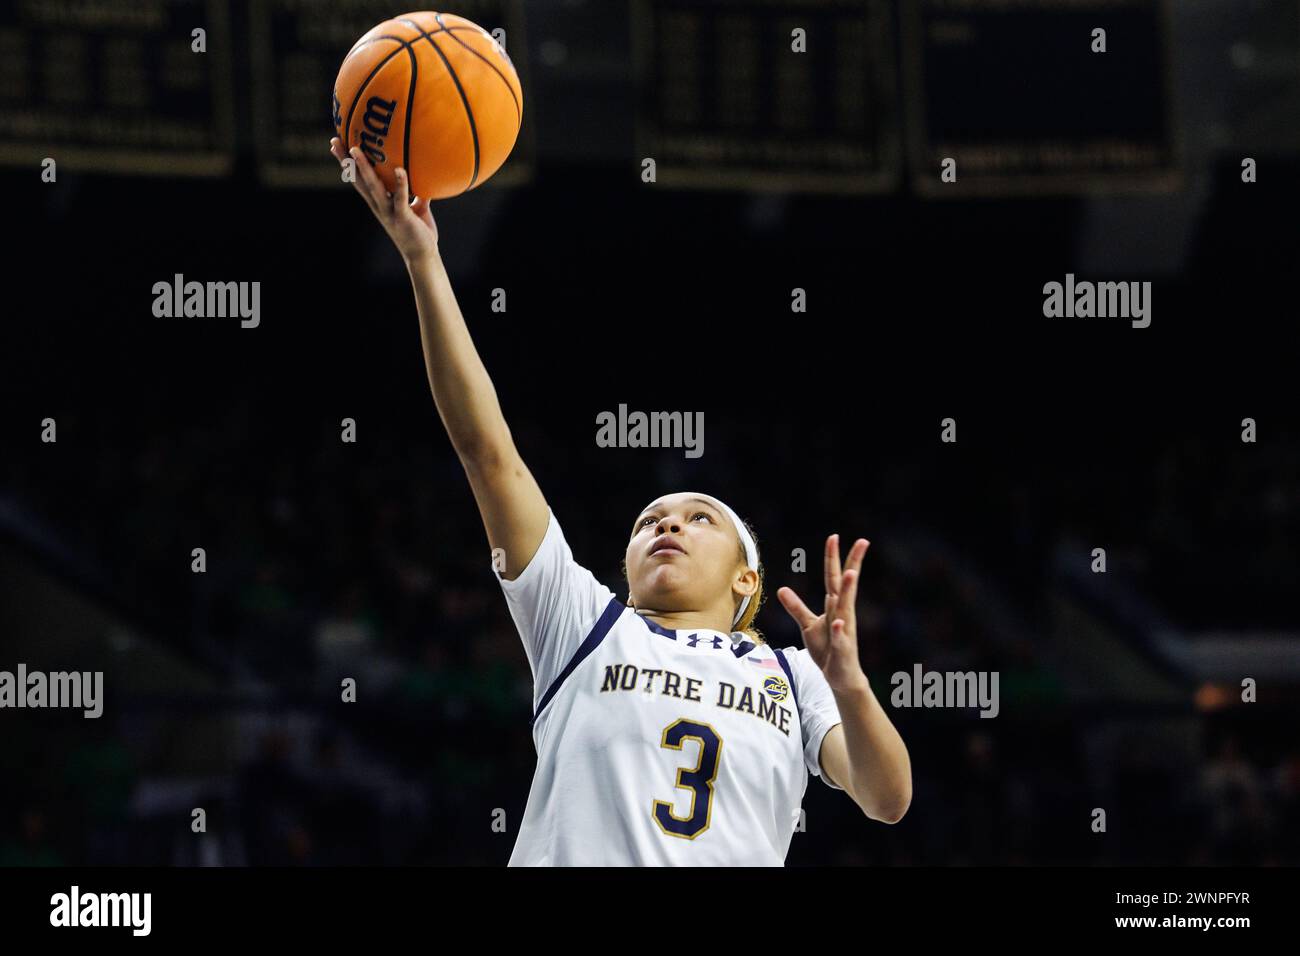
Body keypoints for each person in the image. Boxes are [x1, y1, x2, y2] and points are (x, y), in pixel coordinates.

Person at [329, 139, 912, 864]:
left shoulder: (794, 676)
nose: (668, 523)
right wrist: (423, 261)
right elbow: (489, 452)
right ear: (626, 564)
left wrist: (850, 684)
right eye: (649, 522)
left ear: (746, 579)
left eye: (701, 518)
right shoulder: (581, 624)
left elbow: (887, 801)